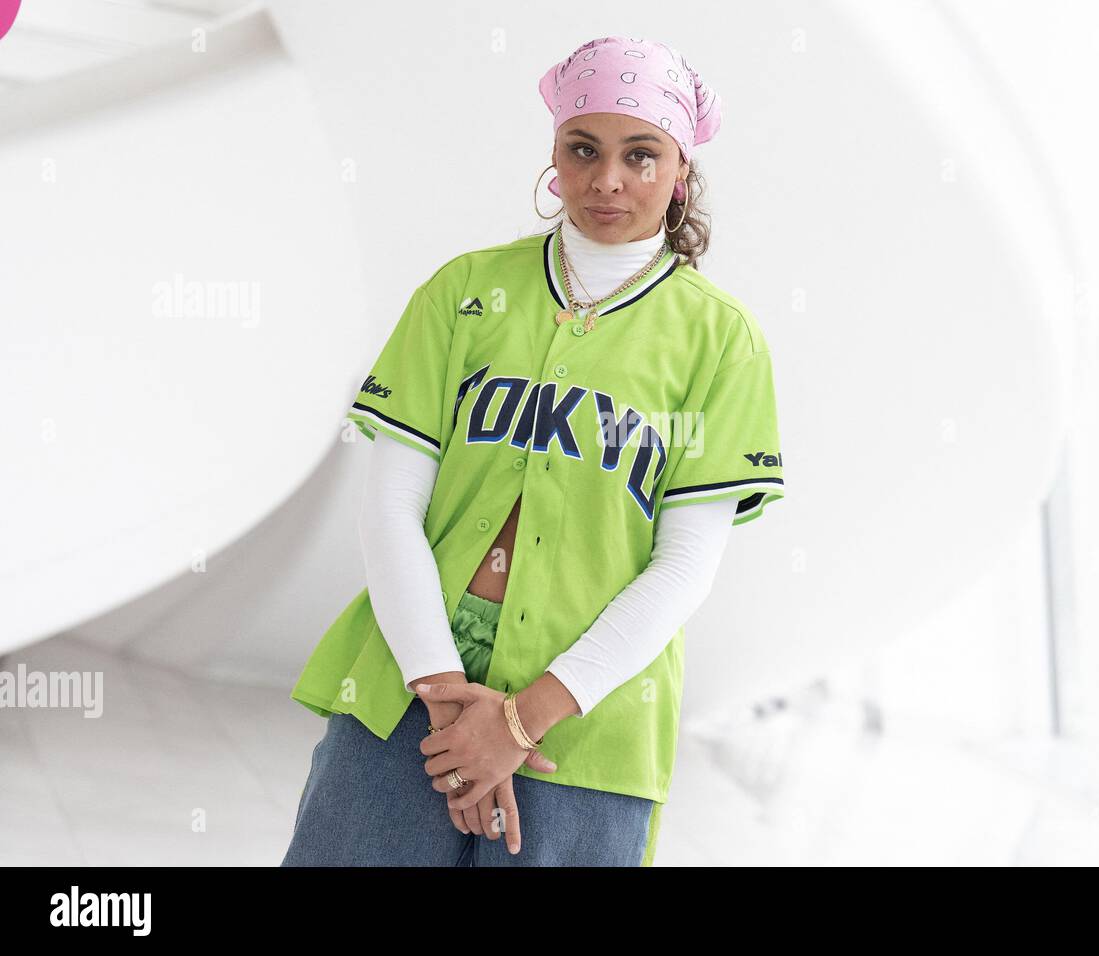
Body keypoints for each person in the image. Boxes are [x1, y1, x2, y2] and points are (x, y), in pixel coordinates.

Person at [281, 35, 785, 867]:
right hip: (411, 676)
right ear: (554, 154)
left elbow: (685, 566)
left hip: (588, 717)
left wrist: (520, 722)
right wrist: (448, 702)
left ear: (681, 171)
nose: (608, 180)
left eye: (641, 154)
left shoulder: (722, 343)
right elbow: (389, 505)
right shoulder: (464, 291)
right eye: (582, 149)